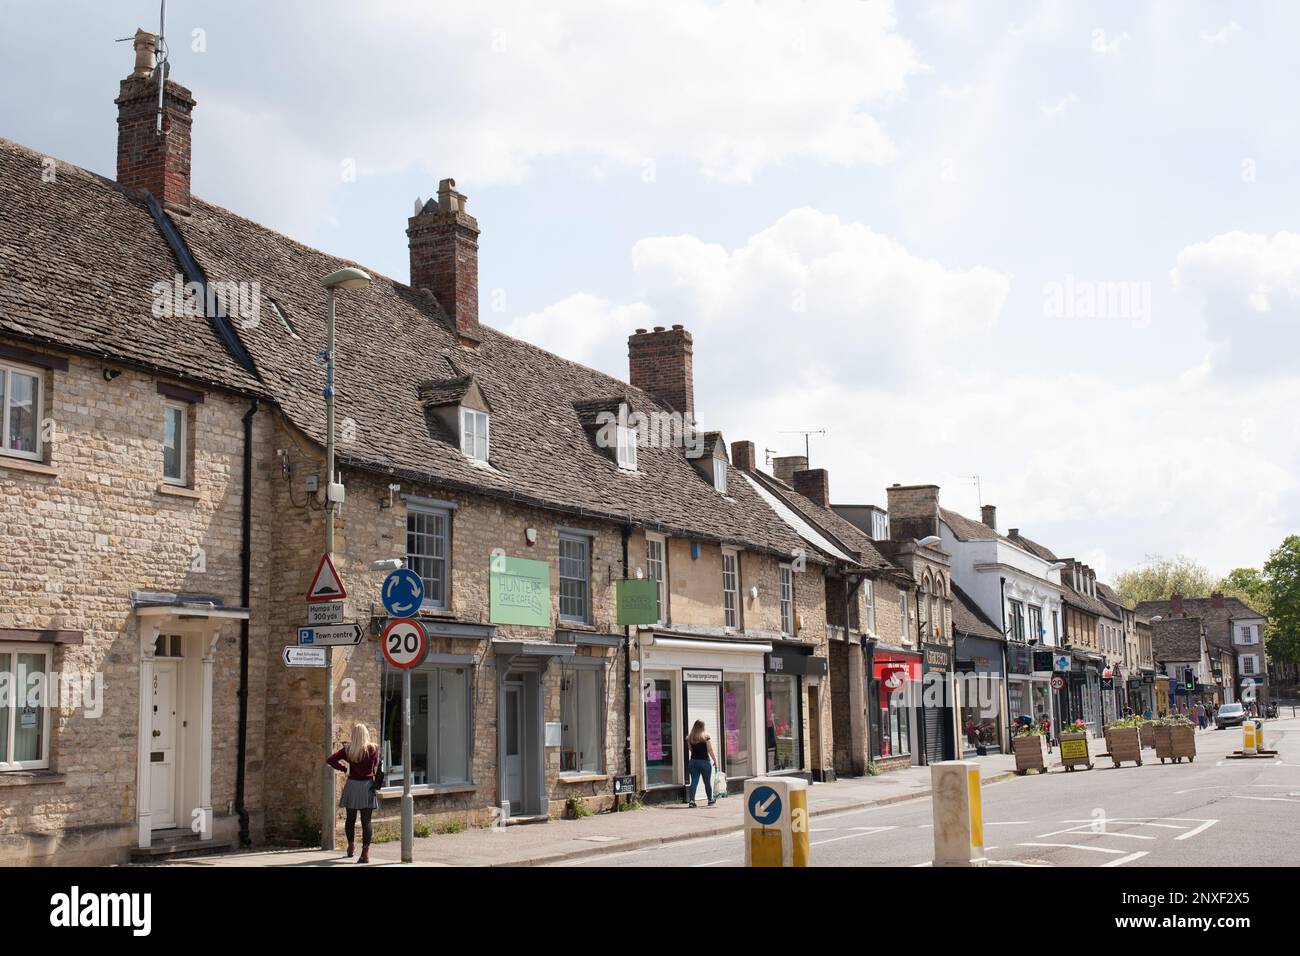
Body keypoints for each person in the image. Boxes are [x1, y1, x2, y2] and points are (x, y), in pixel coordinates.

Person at [327, 723, 381, 863]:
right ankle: (365, 853)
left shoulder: (348, 750)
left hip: (352, 785)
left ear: (353, 735)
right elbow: (375, 765)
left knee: (350, 819)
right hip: (367, 786)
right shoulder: (373, 748)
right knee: (366, 821)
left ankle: (350, 846)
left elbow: (330, 760)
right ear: (366, 734)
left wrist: (344, 769)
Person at [686, 720, 718, 808]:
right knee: (707, 782)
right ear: (703, 727)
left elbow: (691, 750)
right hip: (704, 762)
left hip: (693, 762)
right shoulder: (706, 737)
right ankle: (710, 800)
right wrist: (715, 760)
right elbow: (710, 750)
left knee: (694, 782)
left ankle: (692, 801)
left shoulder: (690, 738)